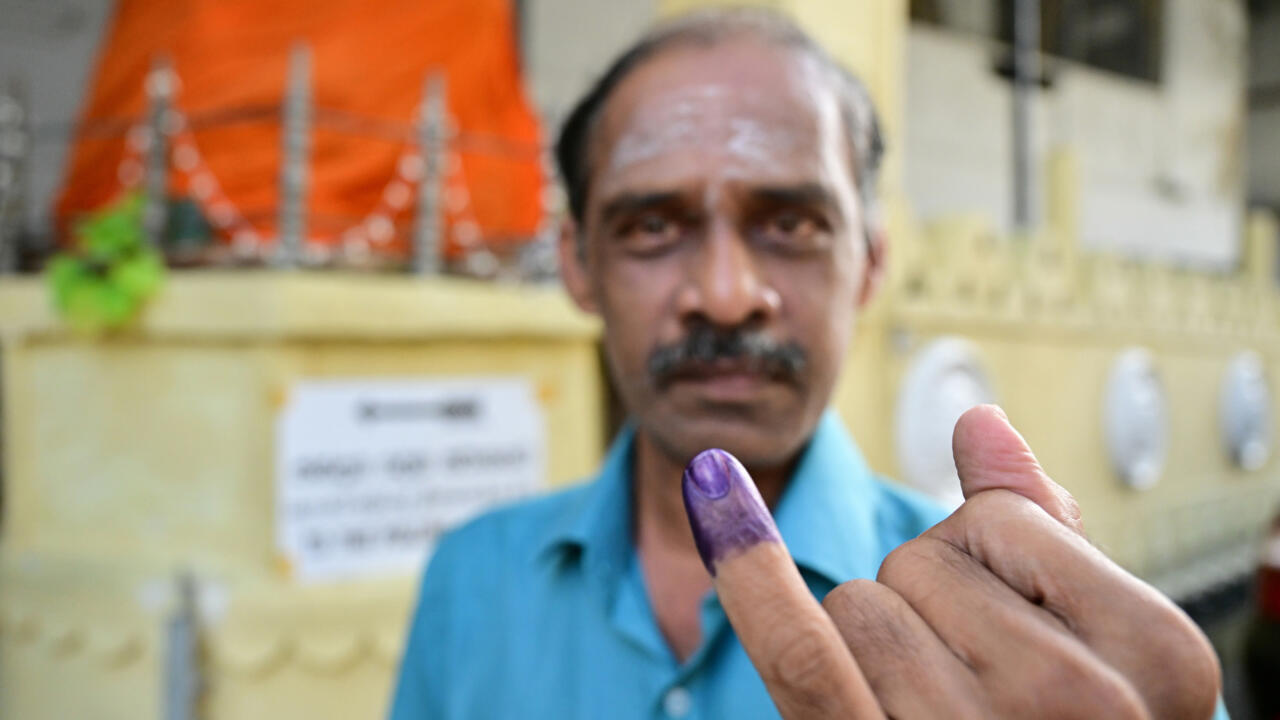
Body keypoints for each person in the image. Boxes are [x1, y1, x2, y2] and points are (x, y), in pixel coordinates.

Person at [390, 8, 1226, 719]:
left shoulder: (1053, 637)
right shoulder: (471, 581)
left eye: (789, 224)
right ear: (577, 265)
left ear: (868, 261)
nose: (724, 296)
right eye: (652, 226)